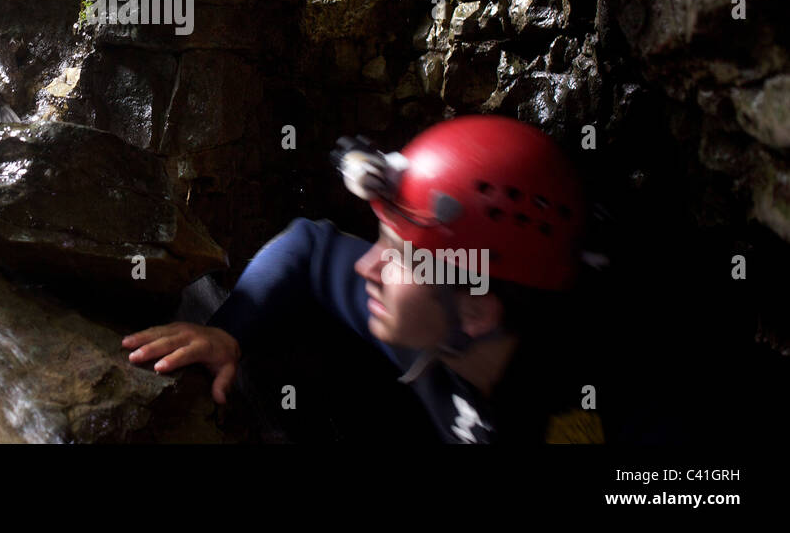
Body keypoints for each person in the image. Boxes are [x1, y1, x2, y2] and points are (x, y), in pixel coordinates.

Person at [122, 114, 620, 443]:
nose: (367, 265)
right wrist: (227, 331)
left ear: (476, 310)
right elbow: (312, 247)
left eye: (397, 255)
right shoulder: (443, 321)